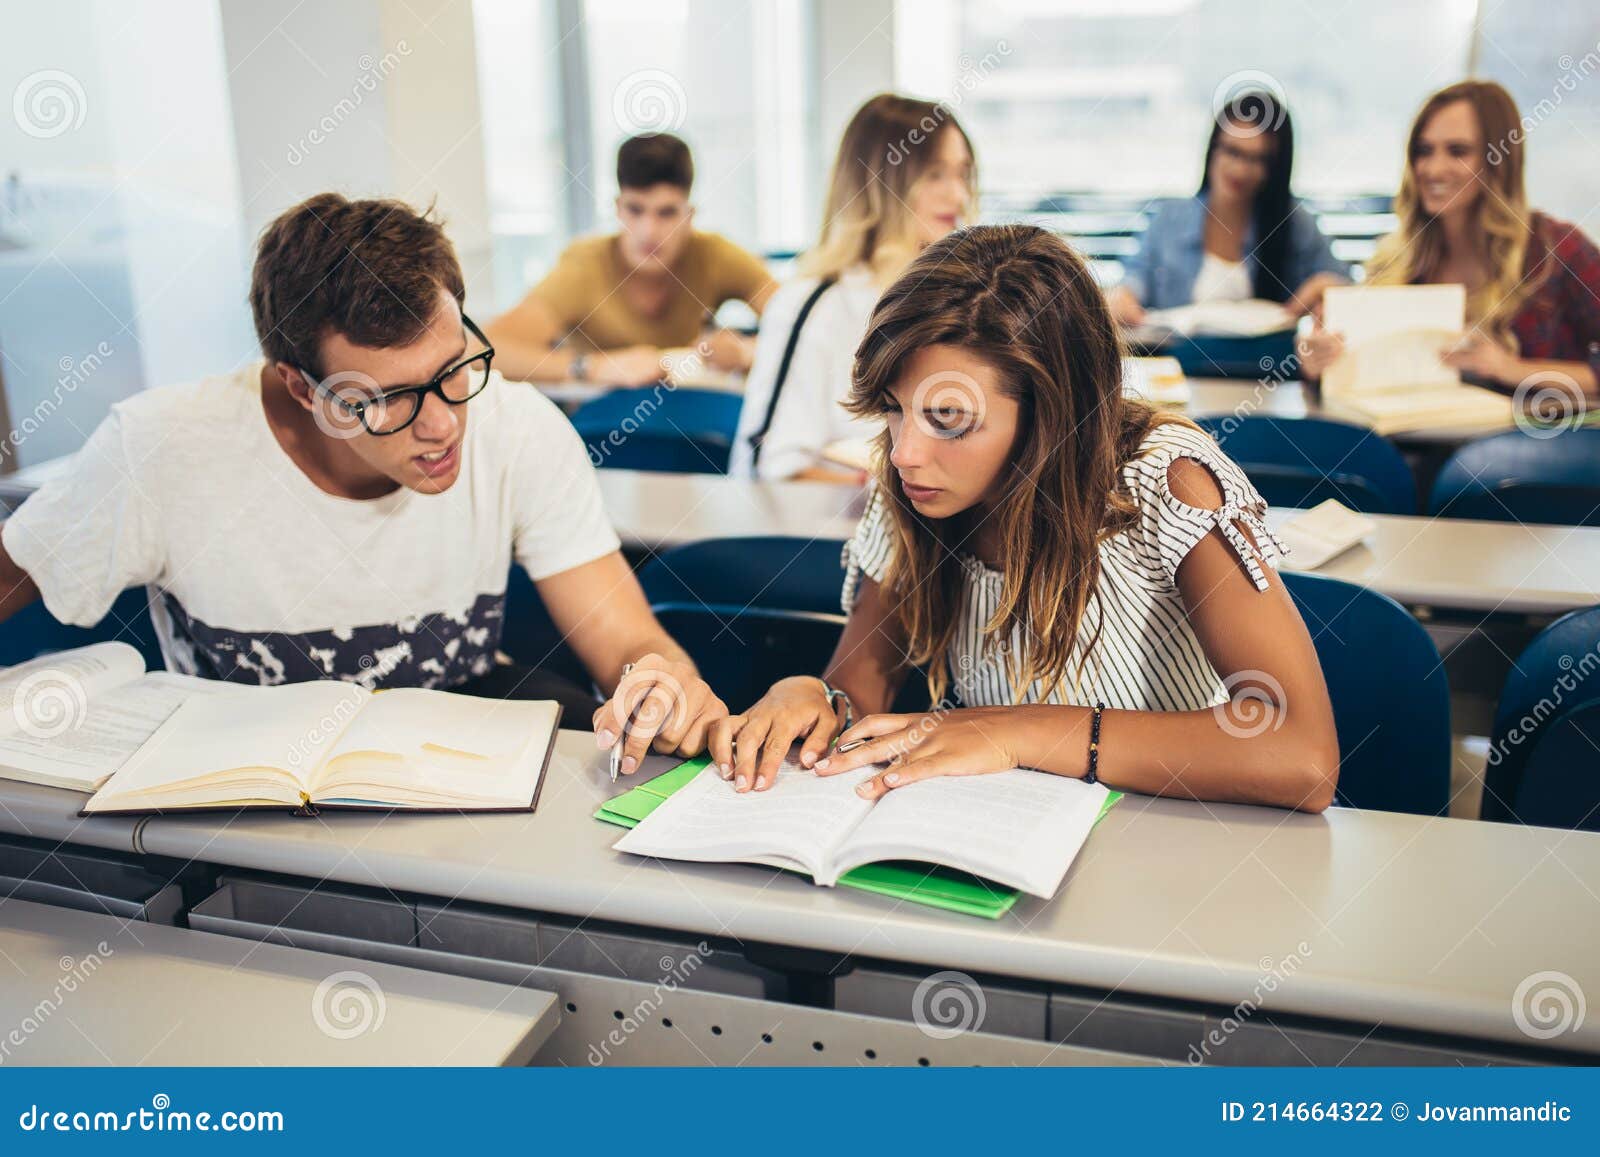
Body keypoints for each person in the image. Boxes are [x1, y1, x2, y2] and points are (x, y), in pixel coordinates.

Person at [0, 193, 725, 773]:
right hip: (237, 785)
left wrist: (662, 681)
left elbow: (626, 636)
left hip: (461, 765)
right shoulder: (164, 446)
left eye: (453, 371)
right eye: (387, 398)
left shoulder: (517, 425)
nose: (441, 424)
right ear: (300, 386)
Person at [709, 225, 1339, 812]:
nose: (904, 453)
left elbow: (1301, 755)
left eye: (948, 419)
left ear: (1049, 414)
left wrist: (1023, 731)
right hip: (1017, 837)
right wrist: (819, 698)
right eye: (895, 409)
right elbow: (859, 694)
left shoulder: (1166, 479)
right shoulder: (913, 484)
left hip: (1179, 845)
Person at [1298, 80, 1600, 399]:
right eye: (1423, 151)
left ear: (1498, 161)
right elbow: (1355, 370)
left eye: (1458, 151)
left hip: (1532, 438)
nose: (1433, 169)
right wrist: (1318, 358)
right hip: (1418, 438)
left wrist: (1511, 368)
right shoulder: (1401, 257)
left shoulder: (1558, 249)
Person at [729, 94, 976, 481]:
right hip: (834, 534)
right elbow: (774, 468)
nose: (958, 196)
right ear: (879, 183)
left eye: (962, 174)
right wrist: (898, 489)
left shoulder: (967, 301)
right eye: (934, 174)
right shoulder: (811, 305)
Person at [486, 133, 778, 387]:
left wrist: (748, 352)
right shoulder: (584, 266)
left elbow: (807, 319)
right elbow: (484, 350)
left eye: (666, 213)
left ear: (689, 216)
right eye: (635, 210)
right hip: (599, 430)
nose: (648, 232)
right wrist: (592, 367)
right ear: (617, 209)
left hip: (688, 426)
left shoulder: (714, 254)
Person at [1108, 90, 1347, 325]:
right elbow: (1134, 279)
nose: (1240, 170)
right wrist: (1123, 297)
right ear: (1213, 148)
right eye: (1232, 151)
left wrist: (1328, 287)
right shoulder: (1169, 218)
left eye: (1257, 159)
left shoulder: (1293, 223)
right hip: (1178, 360)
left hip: (1266, 363)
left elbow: (1346, 287)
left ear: (1274, 169)